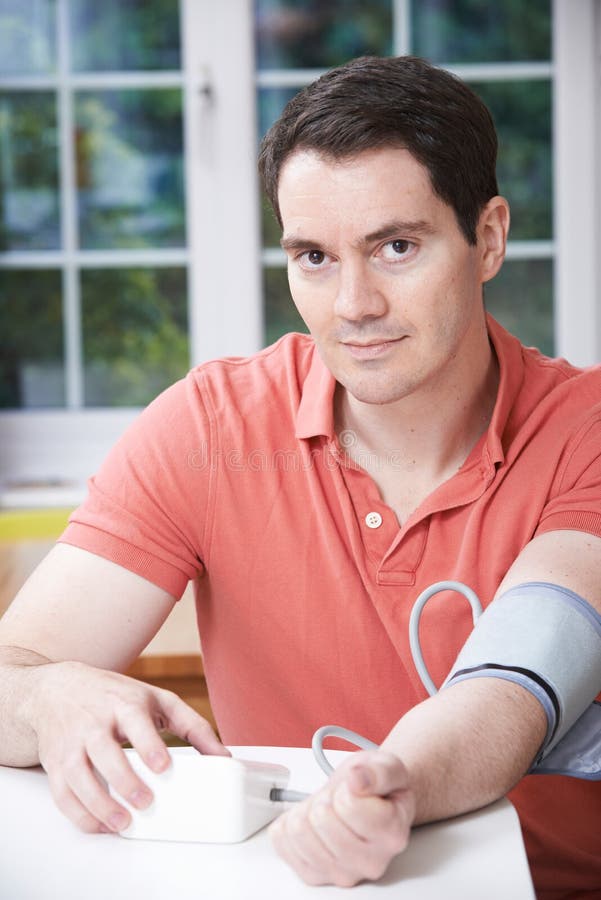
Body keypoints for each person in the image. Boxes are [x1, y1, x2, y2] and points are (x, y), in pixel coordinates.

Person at [1, 55, 600, 898]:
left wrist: (391, 786)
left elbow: (512, 688)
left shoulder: (585, 429)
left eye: (396, 247)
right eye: (313, 256)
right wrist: (48, 699)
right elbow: (12, 670)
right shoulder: (211, 426)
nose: (353, 304)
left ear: (488, 238)